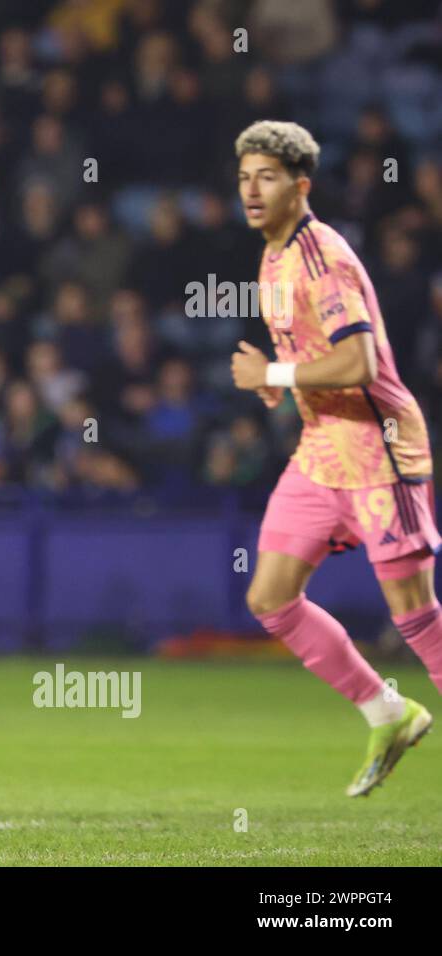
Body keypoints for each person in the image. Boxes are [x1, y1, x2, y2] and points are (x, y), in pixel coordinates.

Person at [230, 120, 441, 797]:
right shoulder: (272, 256)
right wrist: (280, 381)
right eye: (243, 178)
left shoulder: (322, 256)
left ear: (301, 185)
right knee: (270, 597)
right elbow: (317, 361)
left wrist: (280, 376)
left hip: (379, 449)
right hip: (322, 451)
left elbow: (359, 360)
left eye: (266, 177)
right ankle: (387, 711)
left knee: (414, 613)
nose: (251, 190)